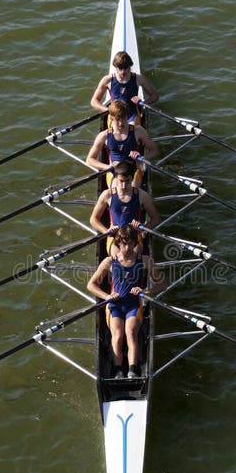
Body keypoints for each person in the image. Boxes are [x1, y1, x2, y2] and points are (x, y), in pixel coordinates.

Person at [87, 224, 164, 379]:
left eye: (130, 243)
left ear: (136, 243)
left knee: (130, 333)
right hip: (114, 305)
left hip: (133, 306)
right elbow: (91, 285)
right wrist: (106, 296)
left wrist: (145, 292)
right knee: (117, 334)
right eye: (123, 243)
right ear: (118, 243)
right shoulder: (109, 261)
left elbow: (163, 284)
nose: (127, 247)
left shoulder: (145, 261)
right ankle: (117, 370)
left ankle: (133, 370)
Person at [85, 99, 157, 180]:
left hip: (133, 170)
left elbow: (154, 150)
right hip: (114, 171)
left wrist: (142, 158)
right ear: (111, 118)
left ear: (127, 116)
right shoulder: (103, 136)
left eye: (123, 119)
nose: (121, 123)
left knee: (132, 187)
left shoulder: (138, 131)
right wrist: (108, 167)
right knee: (118, 188)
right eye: (117, 119)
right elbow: (89, 160)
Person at [89, 159, 160, 235]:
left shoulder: (143, 196)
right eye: (121, 181)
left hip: (134, 235)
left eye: (127, 181)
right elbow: (93, 219)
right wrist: (106, 231)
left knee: (136, 247)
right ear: (115, 178)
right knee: (114, 247)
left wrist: (144, 227)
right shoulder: (107, 195)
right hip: (115, 235)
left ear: (132, 179)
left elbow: (156, 218)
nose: (124, 185)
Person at [91, 51, 159, 123]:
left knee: (131, 129)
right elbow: (94, 101)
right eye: (120, 68)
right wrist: (107, 110)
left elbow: (154, 96)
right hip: (114, 116)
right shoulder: (107, 80)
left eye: (125, 68)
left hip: (132, 116)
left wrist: (143, 103)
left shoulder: (139, 79)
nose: (123, 71)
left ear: (130, 66)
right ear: (115, 67)